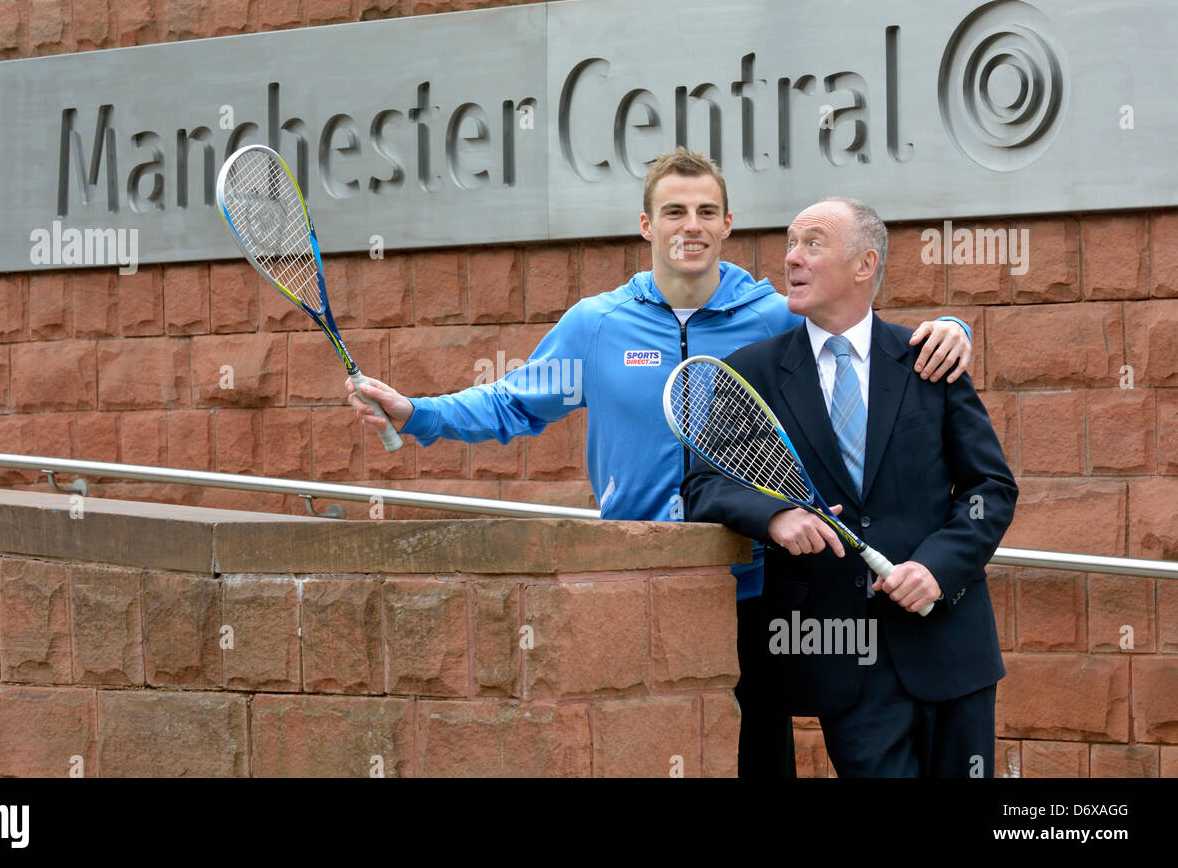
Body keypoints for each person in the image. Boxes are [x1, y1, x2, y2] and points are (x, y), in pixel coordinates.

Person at [345, 148, 974, 777]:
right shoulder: (597, 325)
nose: (690, 226)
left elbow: (859, 333)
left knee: (760, 761)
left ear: (729, 223)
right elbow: (512, 402)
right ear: (647, 225)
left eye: (706, 211)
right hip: (636, 578)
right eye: (673, 211)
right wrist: (418, 413)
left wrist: (949, 326)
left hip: (756, 588)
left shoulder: (775, 317)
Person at [681, 197, 1017, 777]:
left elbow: (990, 486)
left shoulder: (927, 361)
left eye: (813, 243)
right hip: (838, 654)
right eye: (791, 243)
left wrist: (937, 567)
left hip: (950, 643)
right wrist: (773, 516)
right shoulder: (752, 370)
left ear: (865, 264)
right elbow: (702, 483)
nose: (792, 258)